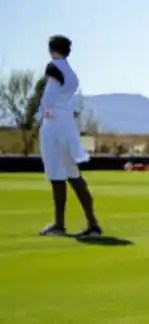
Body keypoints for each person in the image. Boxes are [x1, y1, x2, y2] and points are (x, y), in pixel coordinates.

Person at [33, 34, 103, 238]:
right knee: (73, 173)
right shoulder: (71, 74)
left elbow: (50, 82)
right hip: (65, 124)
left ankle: (59, 224)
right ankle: (92, 223)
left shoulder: (55, 67)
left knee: (57, 175)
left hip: (55, 124)